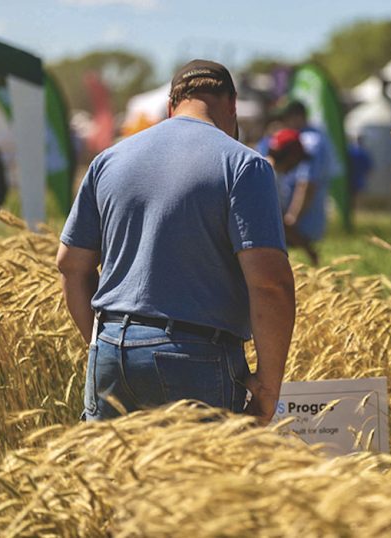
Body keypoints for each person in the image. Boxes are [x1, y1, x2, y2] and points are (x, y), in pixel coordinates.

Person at [56, 59, 295, 425]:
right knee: (201, 482)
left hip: (110, 346)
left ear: (172, 105)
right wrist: (268, 387)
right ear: (232, 105)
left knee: (113, 480)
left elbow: (70, 266)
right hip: (196, 356)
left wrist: (105, 343)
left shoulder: (108, 160)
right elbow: (270, 283)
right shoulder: (244, 165)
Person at [278, 100, 338, 263]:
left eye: (286, 118)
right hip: (301, 214)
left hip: (303, 216)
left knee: (301, 263)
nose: (283, 123)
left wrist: (292, 217)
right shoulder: (315, 136)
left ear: (298, 117)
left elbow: (307, 183)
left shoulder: (309, 141)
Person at [265, 128, 319, 263]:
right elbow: (279, 222)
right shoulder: (268, 176)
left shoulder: (267, 170)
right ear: (291, 157)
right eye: (299, 159)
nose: (298, 164)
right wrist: (307, 248)